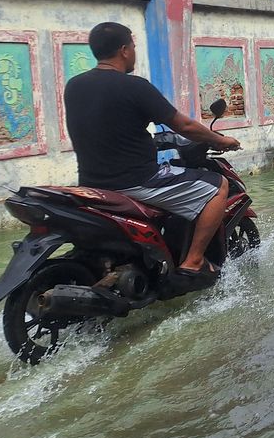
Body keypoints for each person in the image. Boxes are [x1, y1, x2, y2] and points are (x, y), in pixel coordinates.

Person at [64, 22, 241, 284]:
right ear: (124, 50)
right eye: (133, 46)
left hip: (93, 185)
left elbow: (108, 124)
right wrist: (220, 139)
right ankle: (194, 261)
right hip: (136, 181)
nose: (134, 52)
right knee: (218, 187)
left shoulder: (74, 86)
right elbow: (185, 126)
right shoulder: (135, 86)